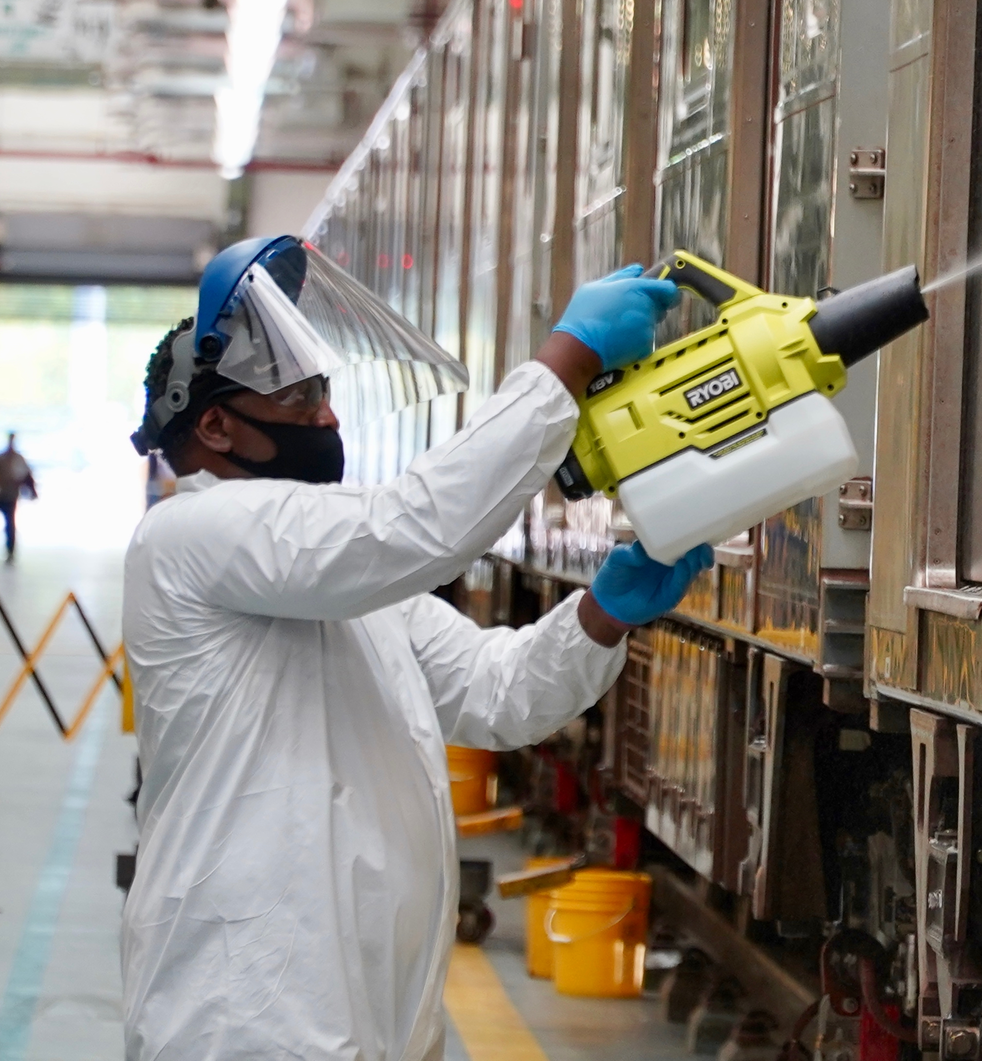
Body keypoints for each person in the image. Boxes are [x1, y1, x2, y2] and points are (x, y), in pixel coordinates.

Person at [120, 235, 702, 1061]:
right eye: (300, 399)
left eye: (325, 393)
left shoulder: (348, 590)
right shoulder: (191, 534)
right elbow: (416, 527)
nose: (328, 418)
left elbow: (498, 693)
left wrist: (603, 613)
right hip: (245, 1016)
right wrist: (564, 362)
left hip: (372, 1017)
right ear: (215, 425)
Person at [0, 432, 36, 561]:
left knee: (10, 521)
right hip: (2, 493)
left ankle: (10, 549)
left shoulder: (17, 459)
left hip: (11, 494)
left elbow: (26, 475)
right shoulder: (2, 458)